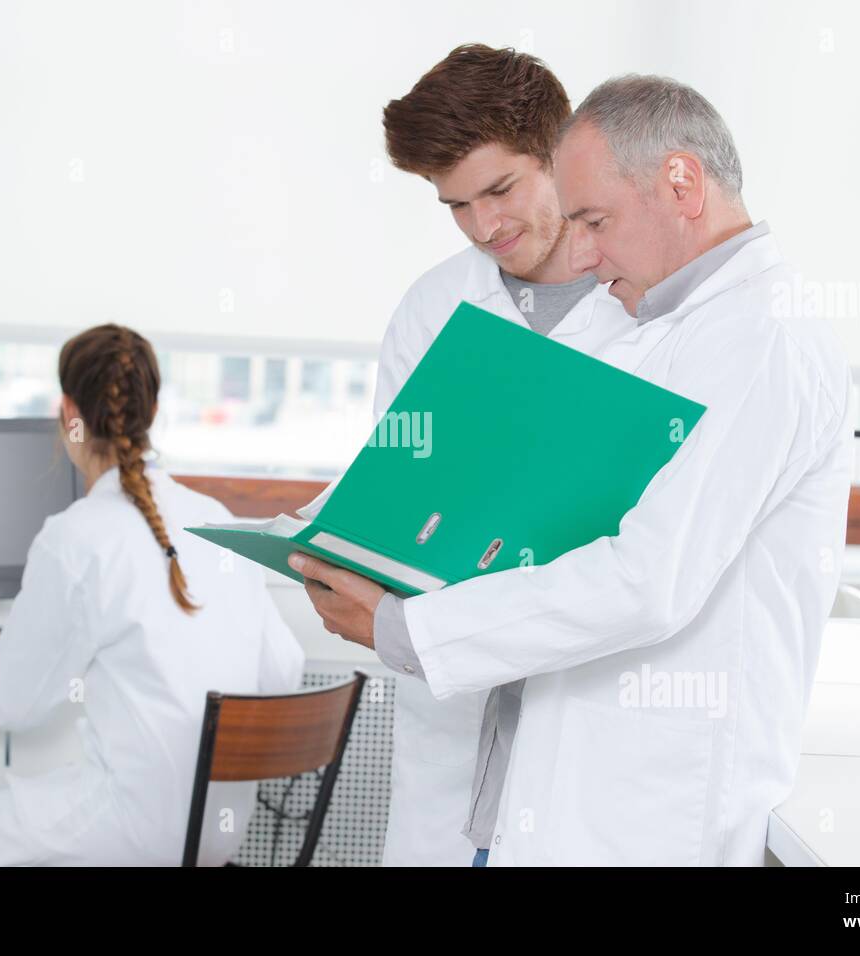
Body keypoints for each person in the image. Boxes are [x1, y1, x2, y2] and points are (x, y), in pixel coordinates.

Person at [290, 74, 853, 866]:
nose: (583, 253)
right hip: (553, 778)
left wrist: (407, 627)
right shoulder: (662, 322)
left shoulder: (761, 337)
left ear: (681, 183)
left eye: (595, 219)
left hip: (648, 802)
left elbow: (645, 578)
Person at [301, 44, 635, 866]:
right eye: (456, 205)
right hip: (449, 723)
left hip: (589, 715)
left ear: (562, 154)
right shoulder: (434, 308)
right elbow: (400, 492)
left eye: (500, 189)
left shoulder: (641, 303)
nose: (486, 226)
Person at [0, 324, 304, 866]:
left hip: (128, 835)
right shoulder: (216, 520)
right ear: (151, 412)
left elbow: (10, 703)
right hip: (214, 836)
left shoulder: (74, 537)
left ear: (68, 414)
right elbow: (283, 673)